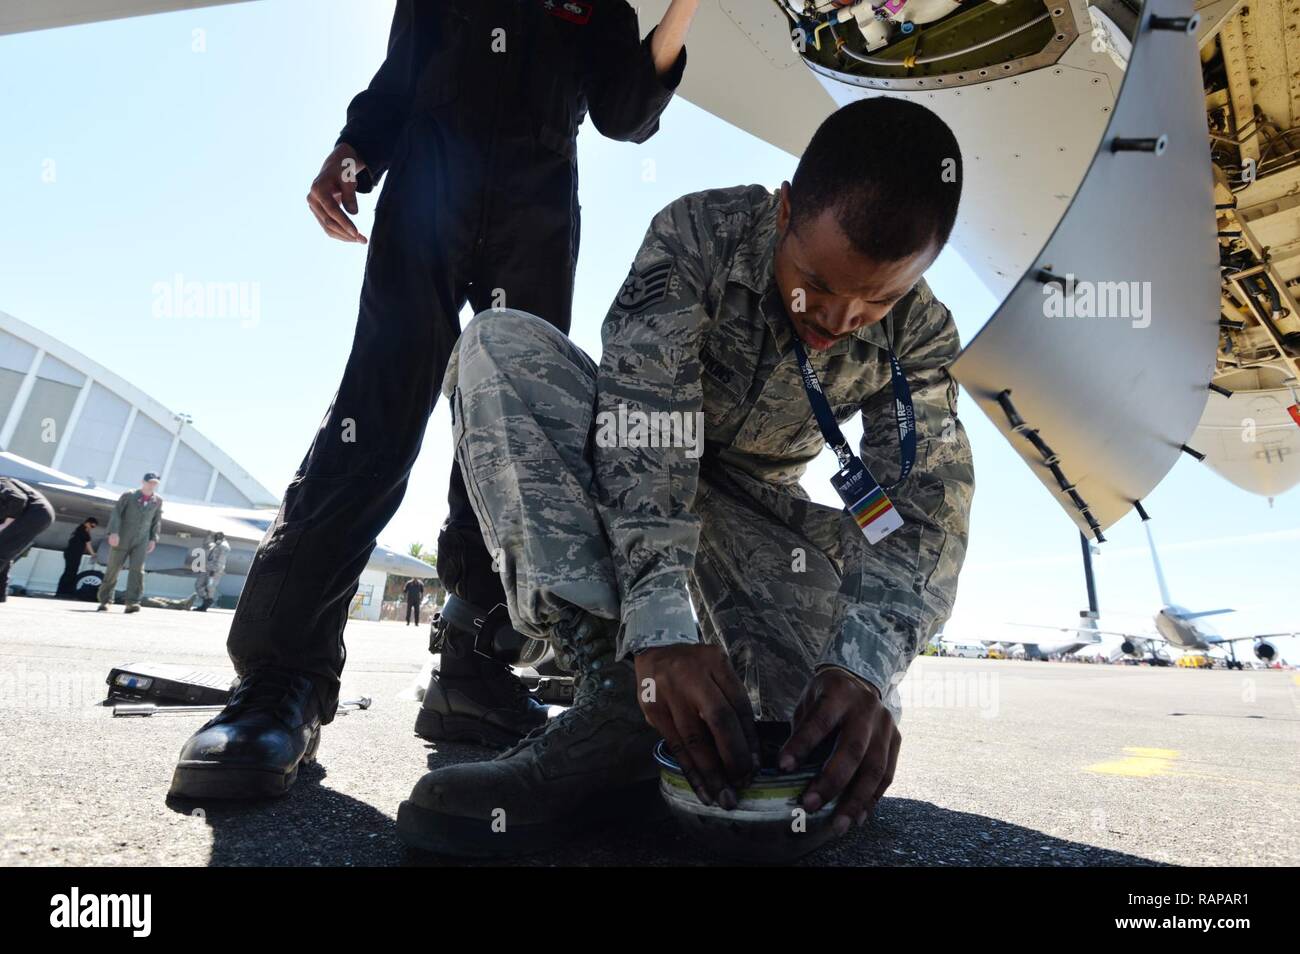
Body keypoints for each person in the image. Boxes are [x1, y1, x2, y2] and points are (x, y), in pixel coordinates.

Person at [395, 98, 975, 856]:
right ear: (786, 208)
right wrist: (661, 632)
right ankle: (615, 701)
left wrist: (865, 668)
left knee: (810, 732)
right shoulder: (698, 237)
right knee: (499, 347)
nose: (840, 317)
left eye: (881, 299)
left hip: (760, 532)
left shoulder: (921, 335)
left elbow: (923, 514)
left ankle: (691, 727)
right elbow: (646, 438)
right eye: (819, 283)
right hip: (629, 494)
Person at [170, 0, 700, 800]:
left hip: (537, 209)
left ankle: (475, 670)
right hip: (426, 196)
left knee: (509, 441)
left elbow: (624, 113)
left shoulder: (599, 6)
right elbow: (398, 79)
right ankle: (281, 680)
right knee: (371, 417)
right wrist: (352, 153)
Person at [96, 473, 163, 614]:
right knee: (113, 568)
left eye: (155, 483)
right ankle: (105, 601)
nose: (152, 485)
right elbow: (117, 513)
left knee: (138, 570)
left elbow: (156, 520)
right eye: (149, 482)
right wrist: (113, 532)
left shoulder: (157, 501)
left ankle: (132, 602)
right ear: (142, 482)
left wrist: (153, 539)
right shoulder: (129, 495)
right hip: (123, 536)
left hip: (142, 539)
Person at [0, 477, 56, 602]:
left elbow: (18, 499)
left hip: (35, 513)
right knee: (5, 552)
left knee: (2, 550)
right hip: (37, 514)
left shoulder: (2, 482)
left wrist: (5, 524)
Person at [56, 517, 98, 597]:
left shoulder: (78, 530)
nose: (91, 528)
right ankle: (64, 591)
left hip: (71, 553)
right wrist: (93, 554)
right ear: (87, 523)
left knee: (68, 571)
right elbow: (88, 544)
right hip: (74, 554)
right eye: (91, 526)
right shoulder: (84, 532)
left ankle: (62, 590)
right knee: (71, 572)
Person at [191, 531, 230, 612]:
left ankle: (206, 603)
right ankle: (207, 600)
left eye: (217, 538)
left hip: (214, 571)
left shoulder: (224, 547)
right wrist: (208, 535)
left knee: (210, 587)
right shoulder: (216, 545)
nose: (215, 539)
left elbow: (221, 561)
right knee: (198, 585)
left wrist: (214, 570)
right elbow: (206, 545)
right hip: (207, 569)